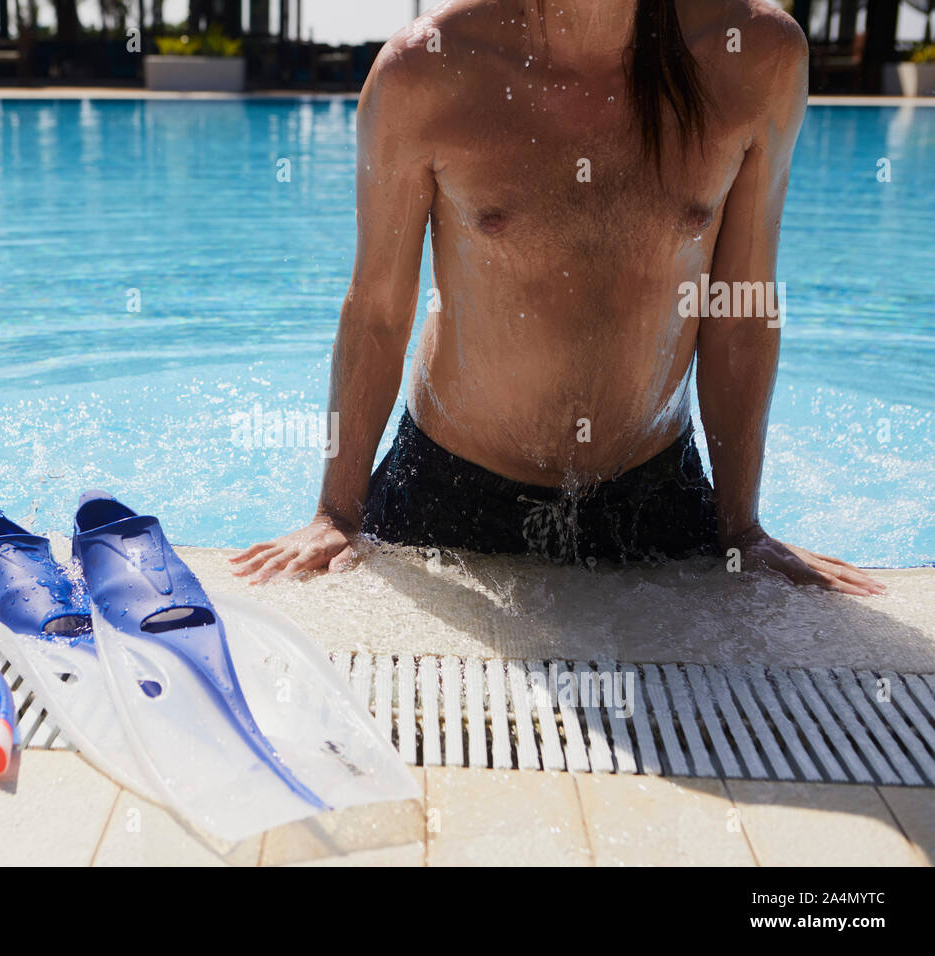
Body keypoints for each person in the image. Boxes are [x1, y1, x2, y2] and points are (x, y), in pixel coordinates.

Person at [231, 0, 883, 596]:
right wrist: (336, 514)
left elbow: (740, 309)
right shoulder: (427, 70)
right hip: (446, 492)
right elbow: (377, 307)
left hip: (653, 494)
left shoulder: (754, 56)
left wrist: (743, 528)